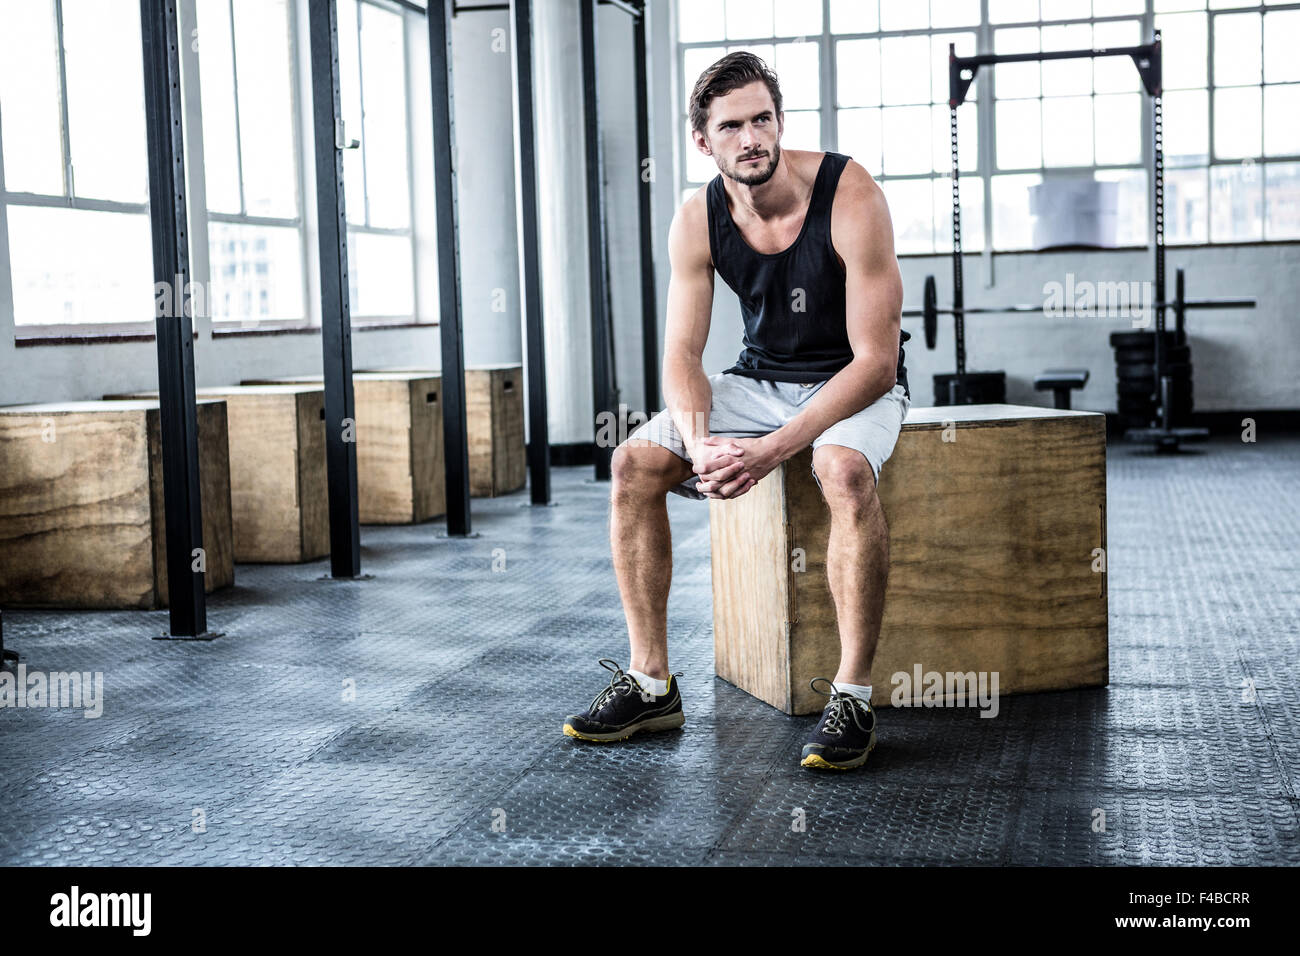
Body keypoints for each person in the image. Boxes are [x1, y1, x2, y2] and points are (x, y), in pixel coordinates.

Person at [562, 52, 910, 771]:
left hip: (850, 382)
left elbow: (878, 359)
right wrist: (702, 442)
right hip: (757, 379)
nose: (752, 138)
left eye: (763, 120)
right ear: (704, 141)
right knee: (632, 463)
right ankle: (652, 683)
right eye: (732, 126)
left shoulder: (850, 194)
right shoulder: (696, 218)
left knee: (842, 471)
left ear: (779, 123)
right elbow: (682, 356)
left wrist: (773, 448)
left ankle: (851, 697)